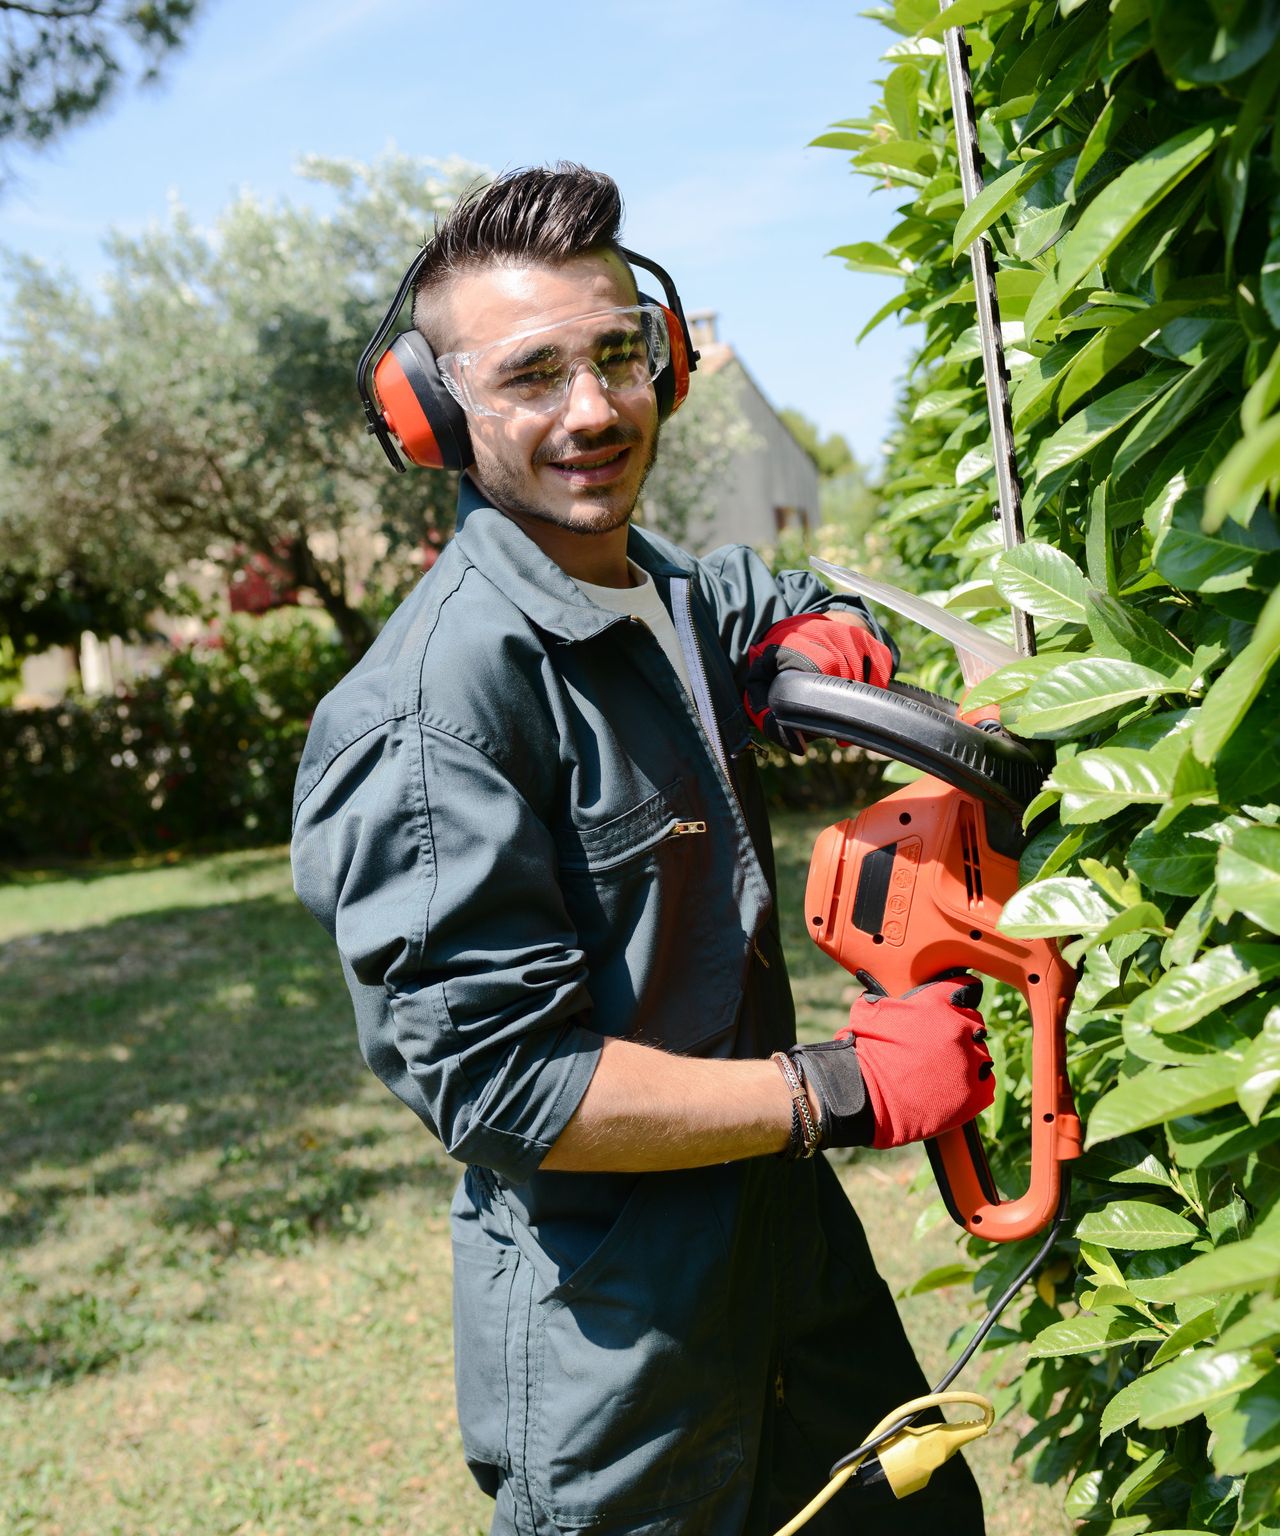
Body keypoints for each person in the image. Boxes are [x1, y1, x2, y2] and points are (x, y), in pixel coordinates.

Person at [292, 164, 991, 1536]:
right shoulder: (434, 710)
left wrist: (802, 632)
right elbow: (504, 1086)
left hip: (793, 1264)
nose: (595, 410)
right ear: (437, 418)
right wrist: (835, 1093)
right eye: (533, 374)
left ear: (667, 352)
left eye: (619, 354)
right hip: (621, 1335)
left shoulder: (658, 588)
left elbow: (746, 592)